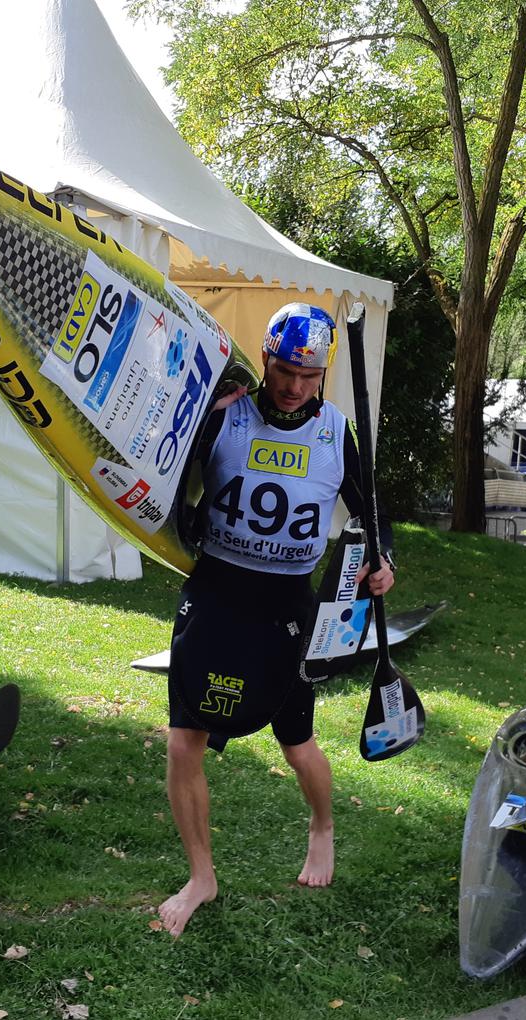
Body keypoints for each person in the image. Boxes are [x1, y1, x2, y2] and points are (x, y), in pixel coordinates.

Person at [159, 302, 395, 938]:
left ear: (323, 374)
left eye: (308, 375)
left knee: (296, 743)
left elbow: (374, 512)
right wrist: (197, 429)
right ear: (266, 357)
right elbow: (172, 486)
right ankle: (201, 876)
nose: (294, 385)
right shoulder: (225, 413)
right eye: (285, 369)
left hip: (289, 603)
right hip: (216, 591)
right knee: (184, 739)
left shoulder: (335, 432)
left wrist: (384, 561)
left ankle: (322, 827)